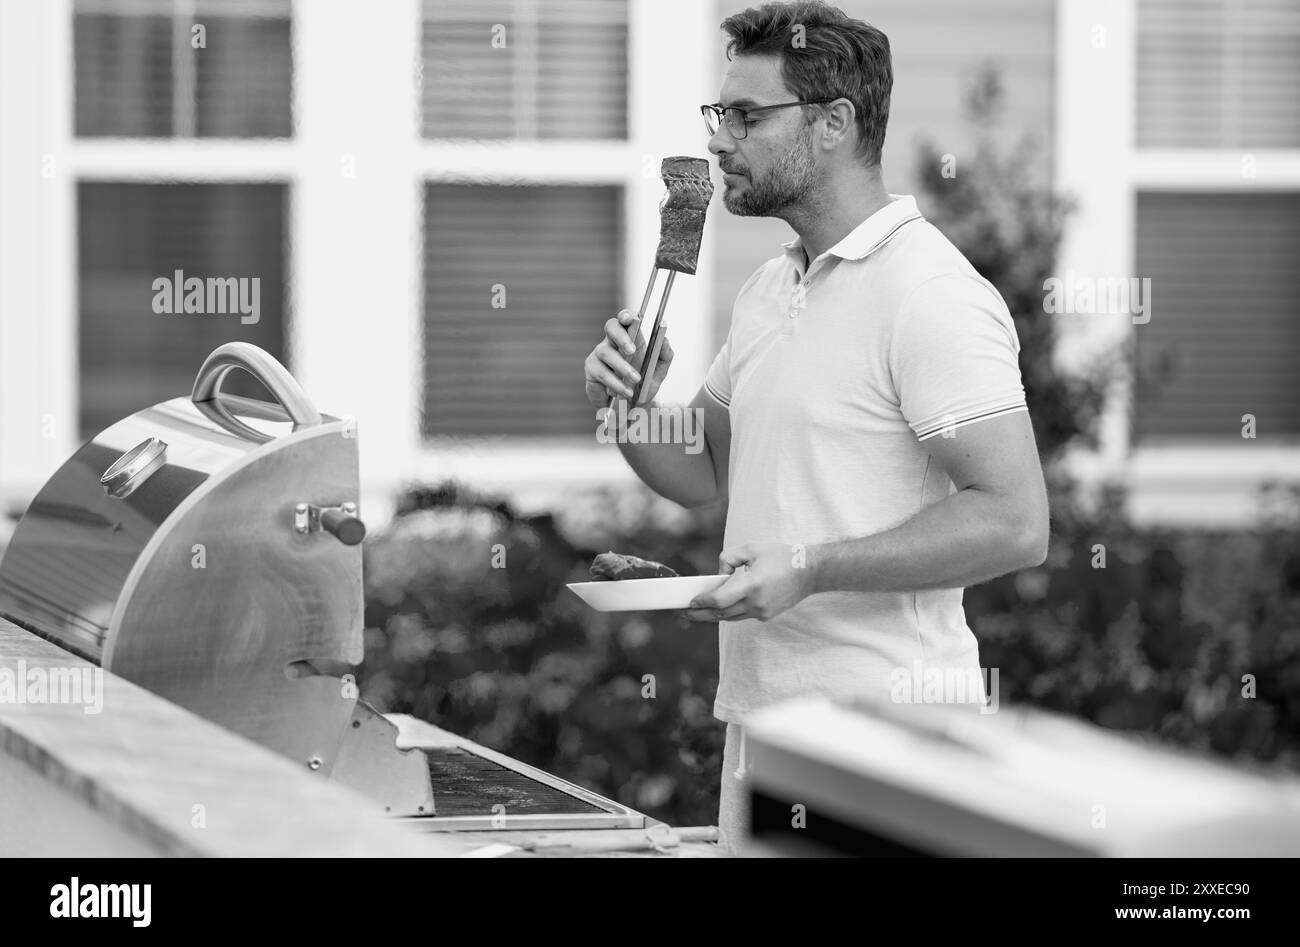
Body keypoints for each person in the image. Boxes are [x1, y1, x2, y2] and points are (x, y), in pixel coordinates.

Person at [582, 0, 1049, 855]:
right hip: (765, 723)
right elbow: (703, 472)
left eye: (747, 116)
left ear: (834, 123)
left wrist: (811, 567)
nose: (720, 139)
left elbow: (1016, 521)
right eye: (718, 115)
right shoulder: (769, 288)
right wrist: (628, 408)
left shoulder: (929, 293)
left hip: (887, 738)